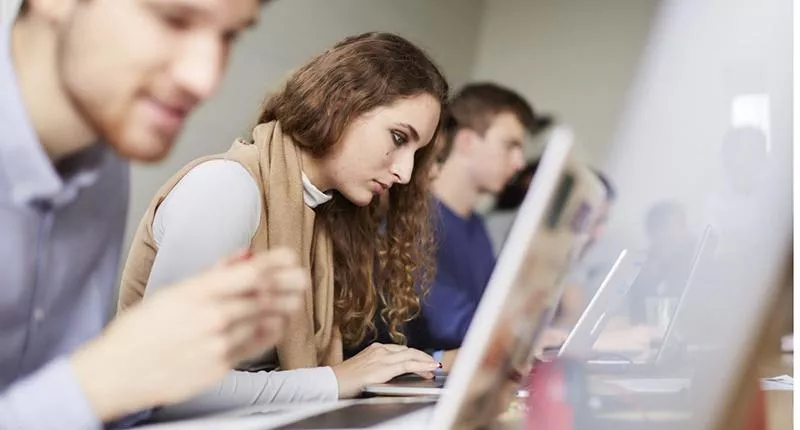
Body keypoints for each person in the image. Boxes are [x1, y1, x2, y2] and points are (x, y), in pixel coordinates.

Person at [1, 0, 310, 429]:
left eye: (229, 35)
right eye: (173, 18)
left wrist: (176, 355)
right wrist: (106, 378)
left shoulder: (105, 157)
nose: (205, 80)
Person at [117, 32, 449, 419]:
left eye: (416, 152)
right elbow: (171, 386)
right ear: (342, 103)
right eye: (397, 137)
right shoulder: (226, 188)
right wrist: (334, 380)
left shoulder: (321, 214)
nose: (405, 173)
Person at [404, 83, 549, 365]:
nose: (520, 163)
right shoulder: (413, 220)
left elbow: (496, 312)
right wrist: (529, 337)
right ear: (467, 141)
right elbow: (450, 322)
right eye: (510, 146)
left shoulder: (477, 227)